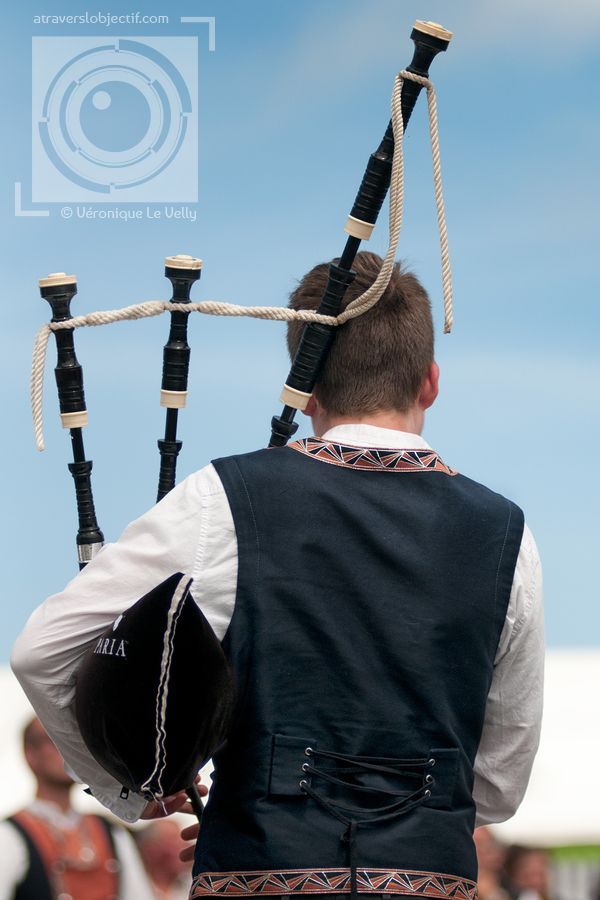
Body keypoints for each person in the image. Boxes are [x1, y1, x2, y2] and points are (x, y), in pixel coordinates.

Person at [12, 251, 544, 900]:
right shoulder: (506, 537)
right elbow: (497, 784)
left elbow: (43, 650)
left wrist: (137, 786)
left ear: (306, 388)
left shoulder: (227, 500)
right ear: (430, 381)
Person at [0, 717, 155, 899]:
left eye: (69, 741)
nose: (67, 751)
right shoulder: (9, 834)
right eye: (53, 740)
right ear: (30, 754)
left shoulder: (111, 831)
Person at [136, 820, 193, 900]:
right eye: (175, 840)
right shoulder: (131, 884)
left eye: (183, 841)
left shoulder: (193, 887)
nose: (185, 846)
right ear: (151, 849)